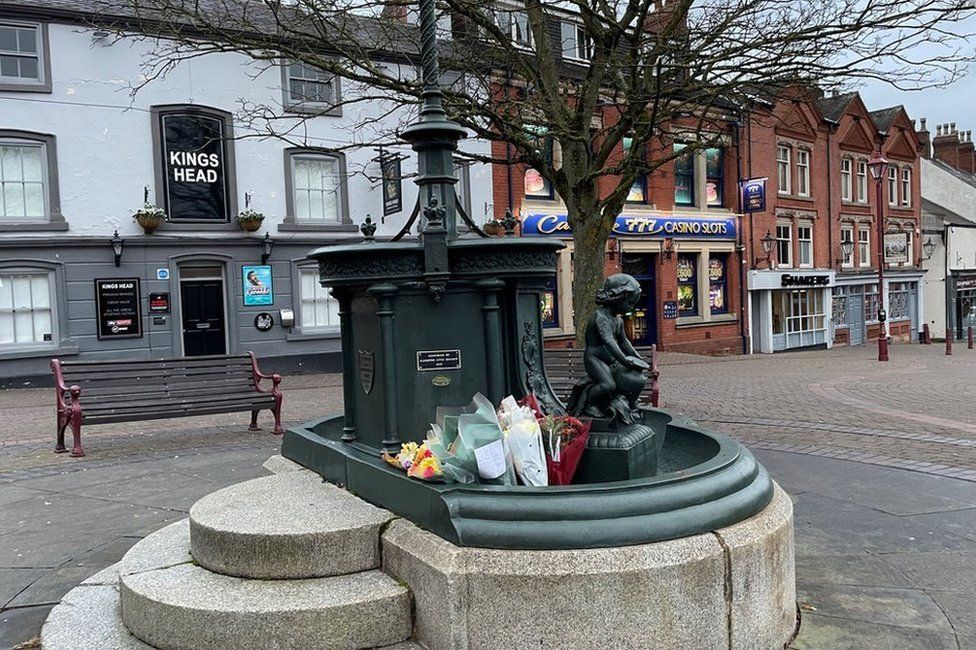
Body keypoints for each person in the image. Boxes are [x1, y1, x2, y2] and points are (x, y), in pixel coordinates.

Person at [567, 274, 649, 424]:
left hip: (609, 360)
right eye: (629, 302)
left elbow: (624, 342)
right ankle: (590, 404)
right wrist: (624, 360)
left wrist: (637, 357)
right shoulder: (601, 318)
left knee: (628, 381)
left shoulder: (617, 320)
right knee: (608, 385)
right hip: (594, 359)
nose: (631, 307)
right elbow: (609, 342)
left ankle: (627, 406)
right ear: (618, 298)